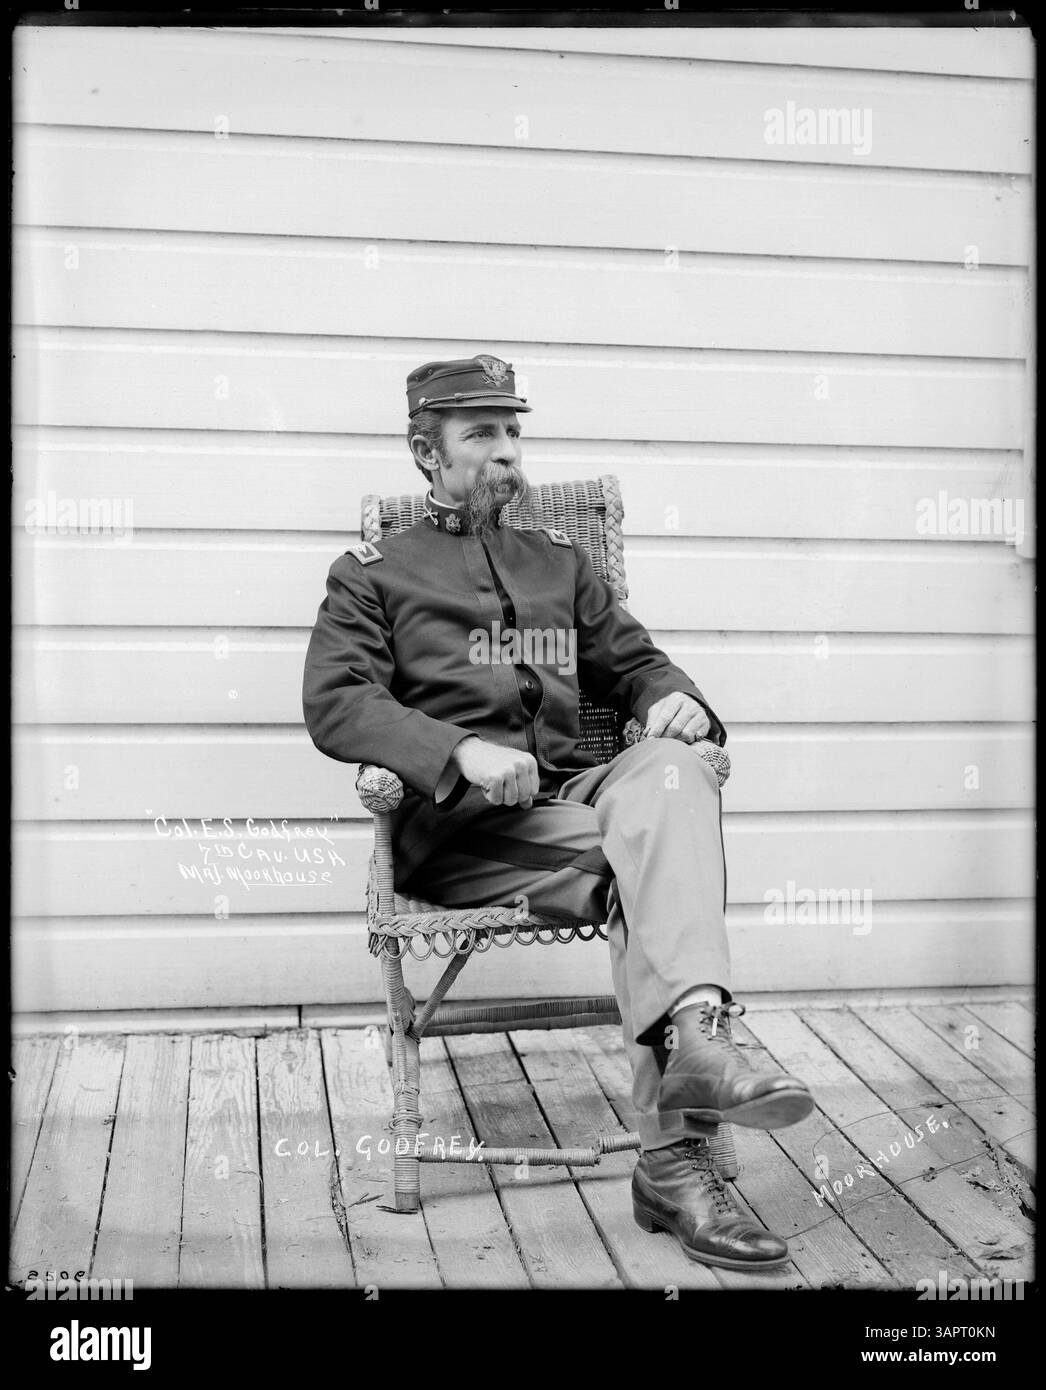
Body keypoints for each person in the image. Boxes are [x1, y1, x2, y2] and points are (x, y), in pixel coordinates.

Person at [303, 354, 815, 1271]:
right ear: (427, 453)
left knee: (668, 773)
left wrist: (668, 700)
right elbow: (337, 701)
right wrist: (454, 749)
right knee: (650, 866)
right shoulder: (373, 575)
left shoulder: (558, 564)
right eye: (483, 436)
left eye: (514, 433)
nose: (507, 454)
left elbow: (636, 660)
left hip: (577, 802)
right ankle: (676, 1155)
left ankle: (693, 1035)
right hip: (467, 833)